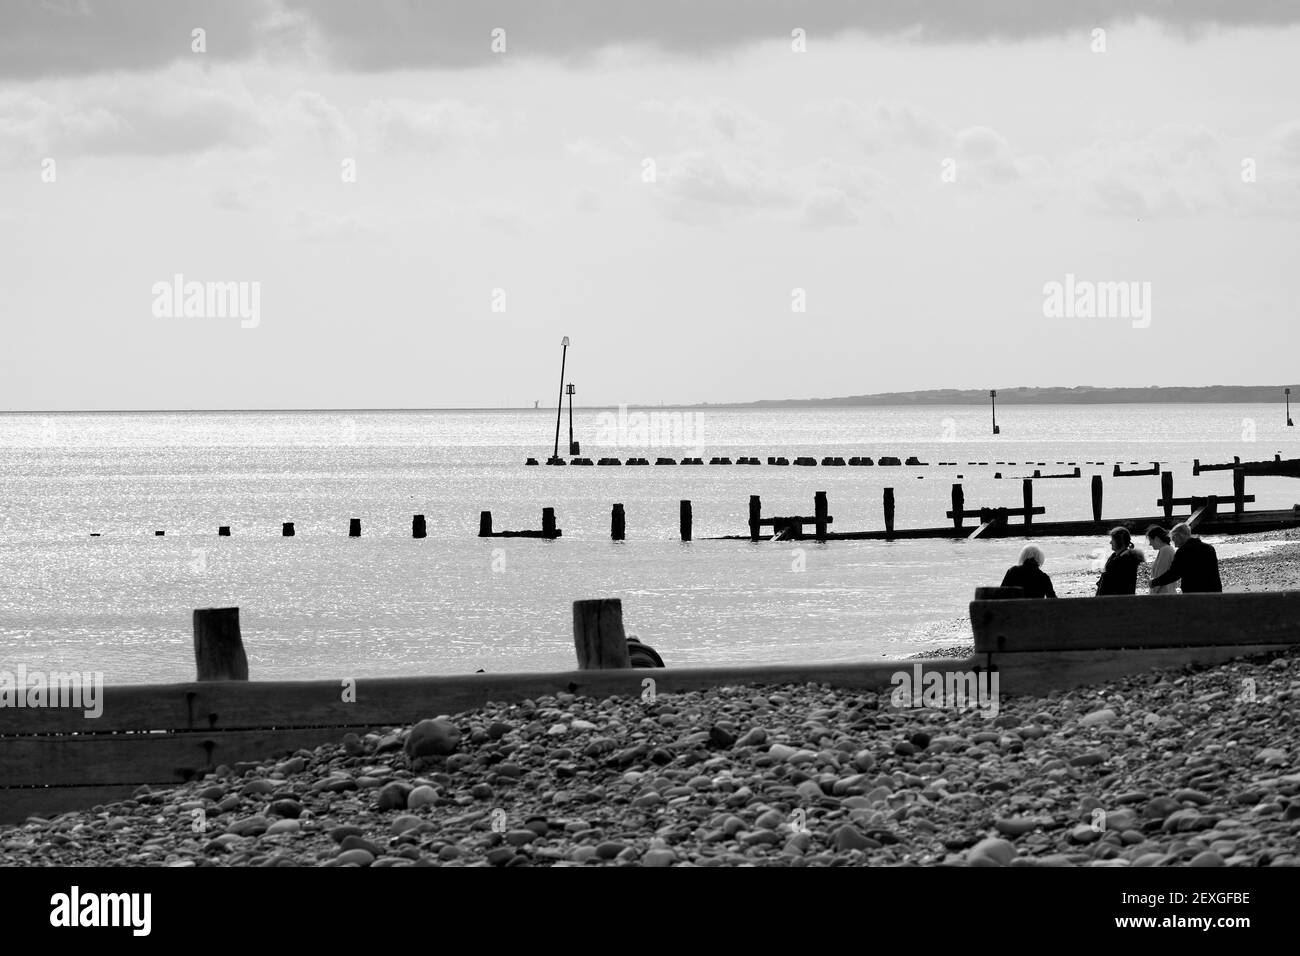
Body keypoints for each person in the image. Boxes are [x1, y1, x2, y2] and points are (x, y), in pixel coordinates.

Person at [1150, 522, 1223, 593]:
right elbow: (1215, 576)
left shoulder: (1183, 551)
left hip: (1193, 594)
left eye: (1174, 539)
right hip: (1213, 592)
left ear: (1179, 536)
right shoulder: (1209, 548)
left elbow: (1173, 574)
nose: (1175, 545)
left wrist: (1154, 582)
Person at [1096, 527, 1145, 595]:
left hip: (1118, 601)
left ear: (1119, 541)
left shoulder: (1126, 561)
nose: (1110, 542)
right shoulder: (1114, 556)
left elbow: (1115, 585)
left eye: (1112, 540)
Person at [1146, 525, 1177, 594]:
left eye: (1150, 540)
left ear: (1156, 539)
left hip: (1163, 595)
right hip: (1166, 594)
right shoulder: (1167, 549)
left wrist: (1151, 596)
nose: (1150, 544)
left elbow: (1160, 575)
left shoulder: (1165, 550)